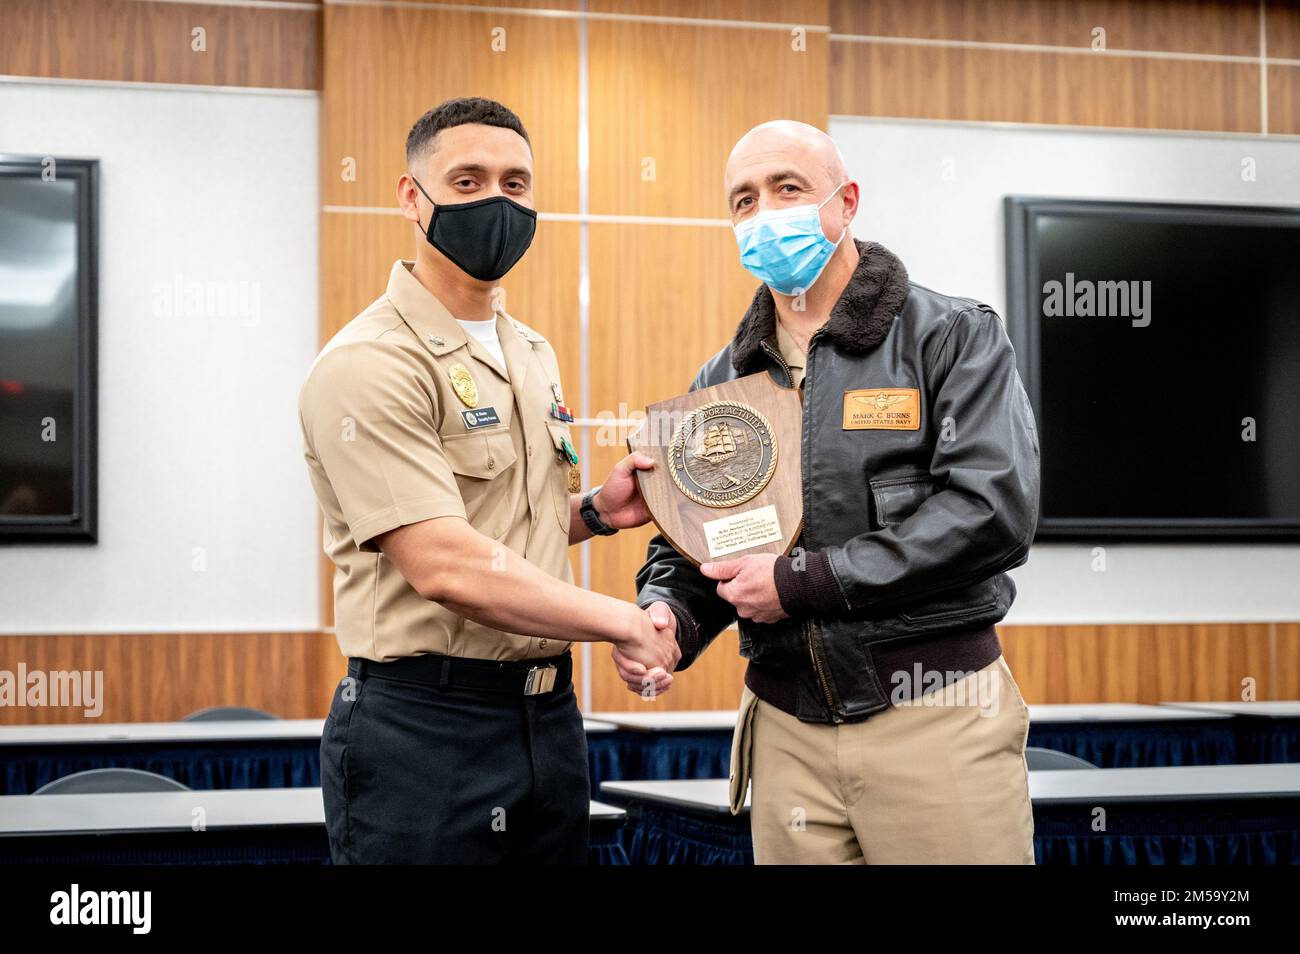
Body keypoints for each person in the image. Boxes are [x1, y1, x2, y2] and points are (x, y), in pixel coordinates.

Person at [625, 120, 1041, 864]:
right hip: (785, 728)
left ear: (846, 203)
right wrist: (667, 621)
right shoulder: (723, 380)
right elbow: (701, 544)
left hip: (934, 712)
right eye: (744, 200)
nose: (766, 213)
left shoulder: (952, 336)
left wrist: (804, 580)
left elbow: (991, 512)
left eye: (789, 189)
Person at [298, 97, 678, 864]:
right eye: (467, 182)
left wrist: (597, 512)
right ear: (413, 197)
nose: (495, 202)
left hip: (546, 722)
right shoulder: (370, 363)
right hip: (425, 731)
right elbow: (444, 562)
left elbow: (505, 520)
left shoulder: (530, 351)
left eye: (515, 184)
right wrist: (626, 621)